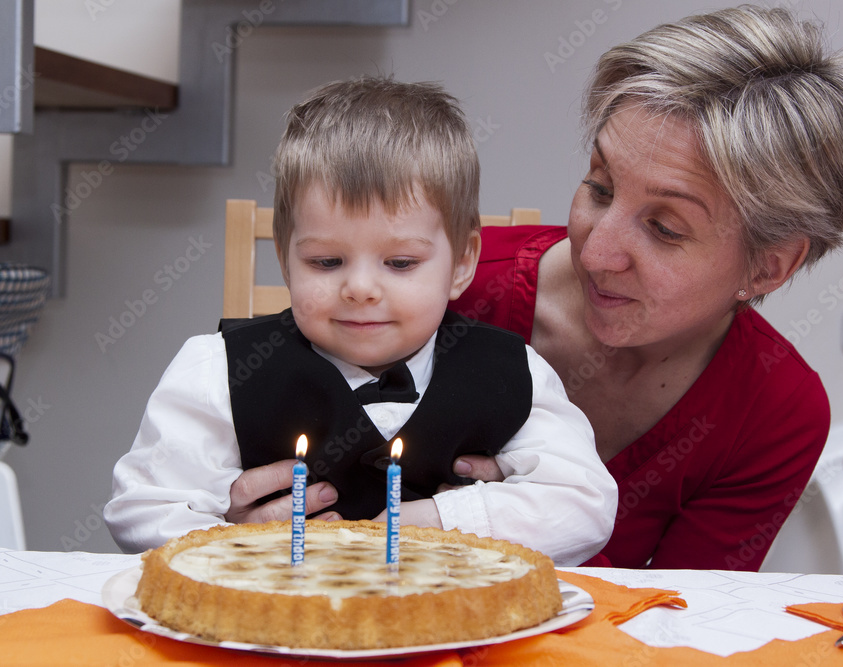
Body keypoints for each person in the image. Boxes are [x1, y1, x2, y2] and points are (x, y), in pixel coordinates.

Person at [224, 5, 843, 571]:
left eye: (666, 227)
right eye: (600, 185)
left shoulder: (777, 412)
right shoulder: (440, 288)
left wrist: (525, 523)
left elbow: (680, 613)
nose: (596, 248)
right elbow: (258, 453)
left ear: (769, 268)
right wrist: (235, 525)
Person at [104, 77, 617, 565]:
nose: (361, 288)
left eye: (400, 263)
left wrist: (449, 519)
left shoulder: (512, 370)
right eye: (327, 262)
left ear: (462, 263)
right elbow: (143, 508)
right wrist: (231, 541)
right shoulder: (217, 370)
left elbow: (585, 504)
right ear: (286, 258)